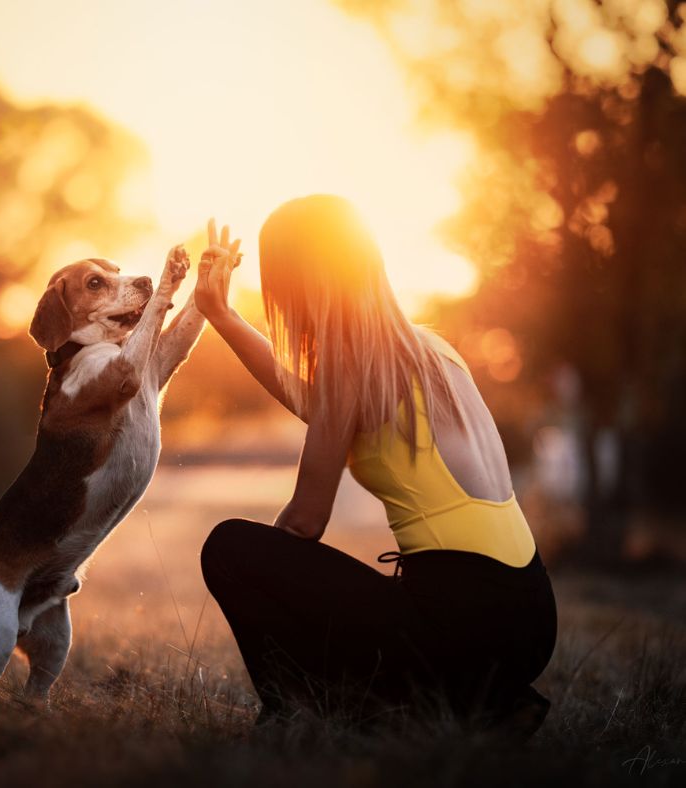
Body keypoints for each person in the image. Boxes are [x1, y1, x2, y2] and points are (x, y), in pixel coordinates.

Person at [192, 195, 558, 736]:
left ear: (295, 282)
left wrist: (267, 584)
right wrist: (221, 316)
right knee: (285, 568)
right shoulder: (430, 352)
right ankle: (488, 704)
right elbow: (318, 405)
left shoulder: (352, 369)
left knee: (229, 547)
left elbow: (303, 525)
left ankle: (298, 710)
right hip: (529, 616)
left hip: (462, 619)